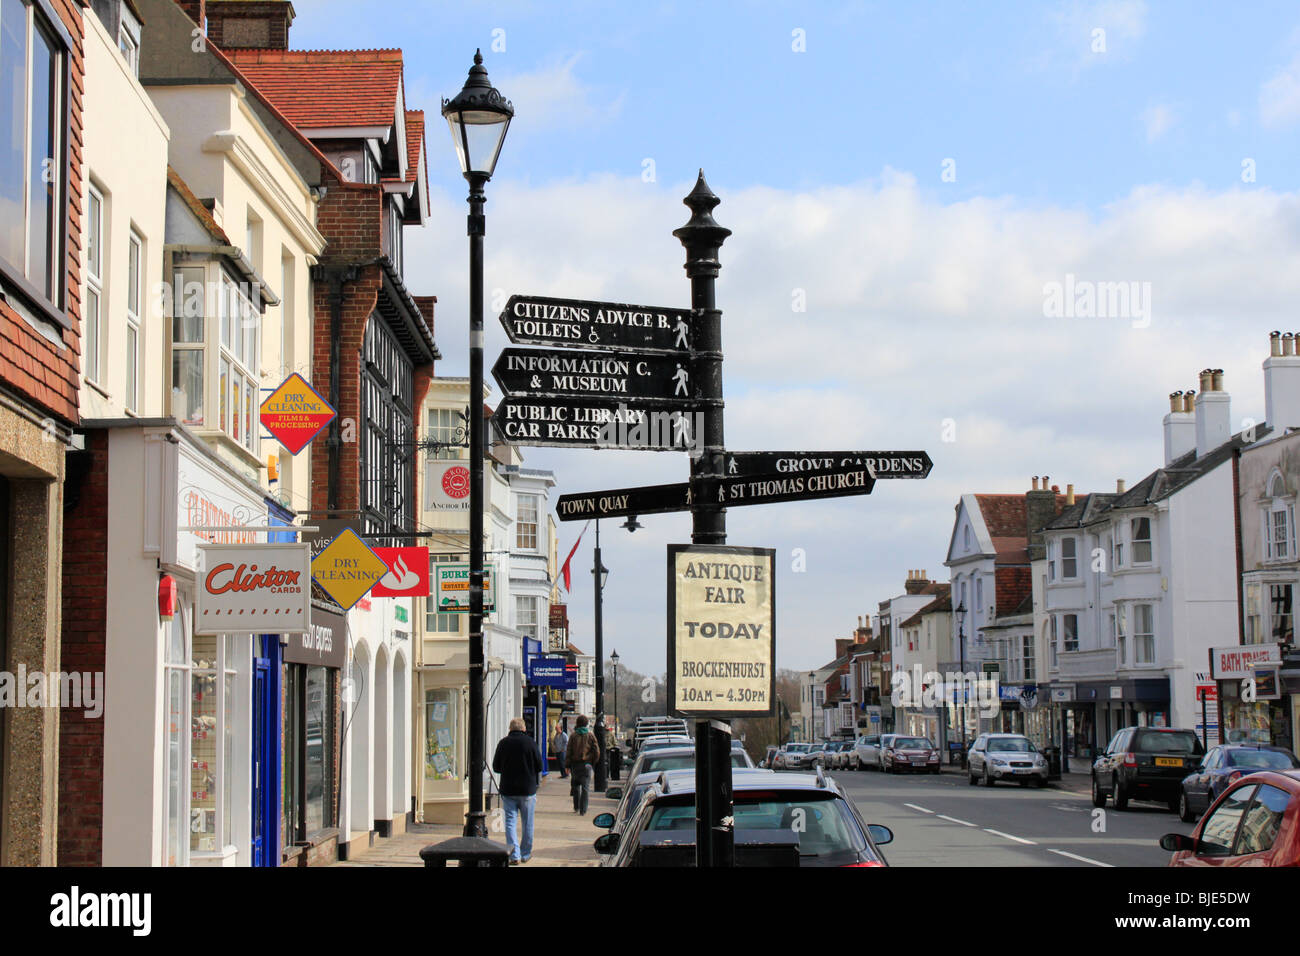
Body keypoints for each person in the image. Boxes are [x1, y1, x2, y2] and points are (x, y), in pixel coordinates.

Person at [492, 717, 544, 864]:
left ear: (510, 729)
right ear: (523, 729)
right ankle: (525, 854)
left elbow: (496, 767)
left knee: (510, 822)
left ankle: (514, 854)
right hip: (528, 790)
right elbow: (540, 766)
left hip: (508, 789)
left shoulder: (503, 743)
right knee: (528, 823)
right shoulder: (530, 743)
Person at [565, 713, 600, 815]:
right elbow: (596, 751)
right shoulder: (590, 736)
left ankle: (576, 807)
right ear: (586, 724)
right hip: (587, 764)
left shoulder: (573, 736)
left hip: (575, 765)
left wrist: (567, 765)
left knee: (575, 786)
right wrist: (593, 762)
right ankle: (583, 810)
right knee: (585, 788)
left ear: (577, 723)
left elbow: (569, 751)